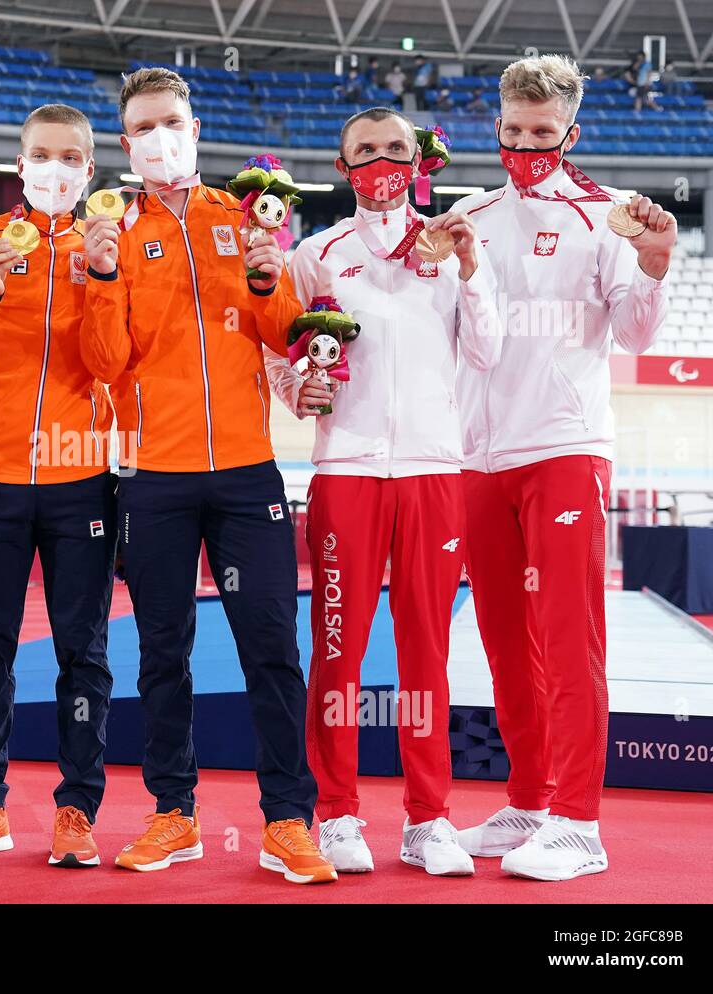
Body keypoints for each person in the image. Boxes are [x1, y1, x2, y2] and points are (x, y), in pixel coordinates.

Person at [81, 67, 336, 886]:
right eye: (146, 128)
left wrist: (268, 273)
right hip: (153, 473)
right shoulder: (115, 229)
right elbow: (106, 361)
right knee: (162, 651)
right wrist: (104, 278)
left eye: (173, 123)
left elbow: (283, 335)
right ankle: (173, 814)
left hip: (246, 473)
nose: (162, 138)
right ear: (128, 145)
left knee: (271, 645)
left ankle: (290, 820)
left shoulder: (249, 217)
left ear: (195, 128)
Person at [450, 54, 673, 881]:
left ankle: (581, 823)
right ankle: (531, 802)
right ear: (497, 128)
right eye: (512, 130)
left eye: (542, 133)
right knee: (505, 643)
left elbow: (637, 338)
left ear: (570, 133)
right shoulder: (467, 215)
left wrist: (653, 263)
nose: (525, 143)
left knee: (569, 640)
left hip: (564, 448)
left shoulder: (609, 216)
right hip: (480, 453)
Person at [265, 107, 502, 877]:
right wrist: (294, 390)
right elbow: (280, 351)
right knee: (338, 652)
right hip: (348, 473)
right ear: (342, 167)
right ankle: (335, 812)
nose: (380, 162)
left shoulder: (454, 243)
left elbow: (489, 351)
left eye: (394, 149)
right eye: (364, 151)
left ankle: (428, 818)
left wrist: (471, 268)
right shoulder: (317, 254)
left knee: (427, 653)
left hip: (436, 469)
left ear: (419, 160)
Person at [0, 103, 118, 868]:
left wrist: (103, 278)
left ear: (90, 172)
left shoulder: (110, 247)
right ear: (20, 163)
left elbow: (110, 362)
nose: (55, 168)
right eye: (41, 155)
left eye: (70, 157)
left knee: (84, 651)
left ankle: (77, 811)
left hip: (81, 474)